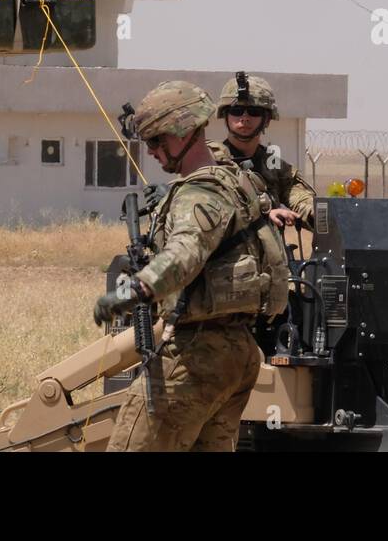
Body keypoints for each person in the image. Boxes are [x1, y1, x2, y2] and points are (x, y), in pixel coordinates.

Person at [94, 80, 287, 452]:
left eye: (156, 140)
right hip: (238, 353)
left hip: (195, 357)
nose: (151, 151)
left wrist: (134, 290)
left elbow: (185, 253)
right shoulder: (235, 180)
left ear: (182, 132)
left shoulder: (198, 193)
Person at [212, 71, 315, 244]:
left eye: (253, 112)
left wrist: (317, 212)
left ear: (266, 120)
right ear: (226, 116)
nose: (244, 118)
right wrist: (262, 214)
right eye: (237, 111)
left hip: (268, 265)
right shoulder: (209, 162)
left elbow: (300, 198)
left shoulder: (273, 165)